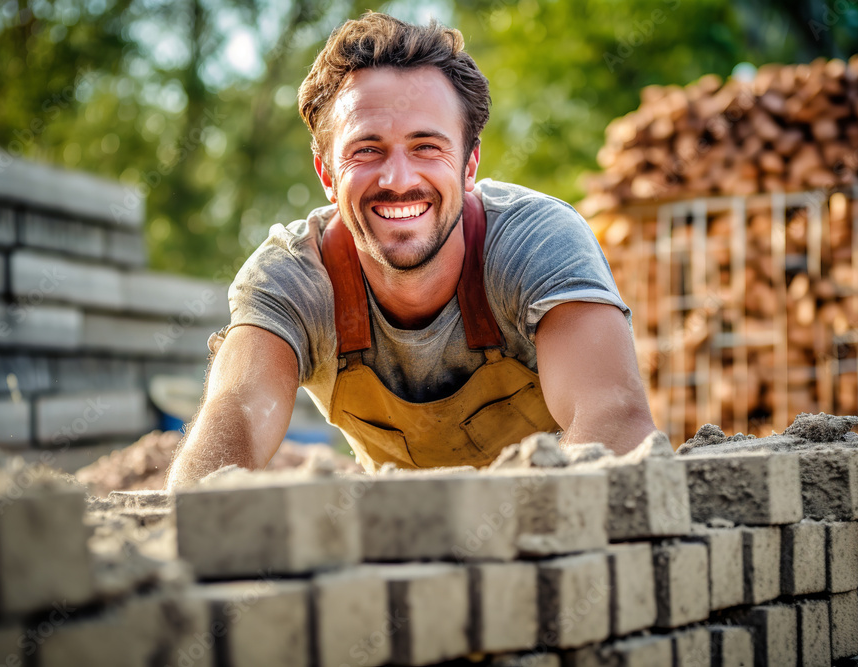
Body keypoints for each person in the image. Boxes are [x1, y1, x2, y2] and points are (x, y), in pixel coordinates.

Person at [166, 12, 655, 487]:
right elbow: (228, 440)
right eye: (366, 149)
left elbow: (614, 424)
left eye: (426, 147)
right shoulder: (290, 281)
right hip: (394, 536)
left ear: (469, 166)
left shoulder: (538, 242)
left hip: (543, 533)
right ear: (327, 176)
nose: (398, 180)